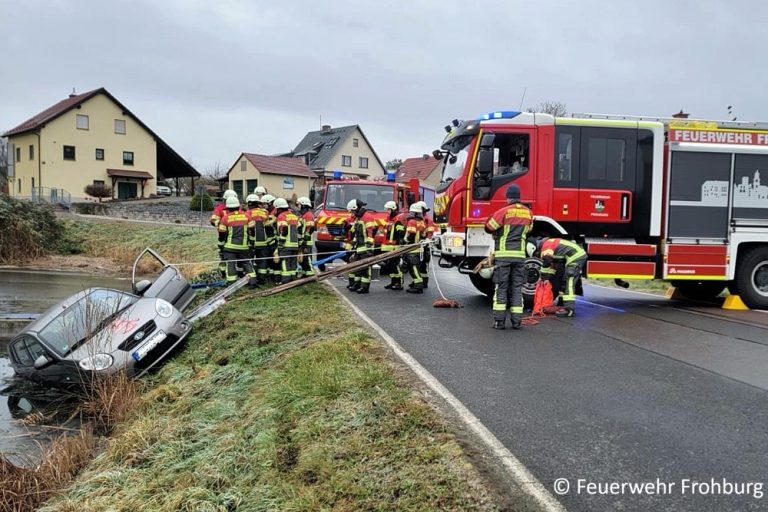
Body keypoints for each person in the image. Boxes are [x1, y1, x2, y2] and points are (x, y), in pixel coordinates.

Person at [484, 184, 533, 330]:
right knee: (517, 288)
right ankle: (517, 322)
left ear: (508, 197)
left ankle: (499, 322)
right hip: (520, 257)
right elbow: (529, 230)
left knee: (501, 288)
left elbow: (489, 227)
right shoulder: (528, 213)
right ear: (519, 197)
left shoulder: (504, 211)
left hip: (504, 256)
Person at [527, 236, 587, 317]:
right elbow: (554, 265)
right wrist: (547, 277)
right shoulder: (549, 245)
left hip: (576, 257)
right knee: (563, 280)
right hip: (571, 256)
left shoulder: (546, 246)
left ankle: (569, 309)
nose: (538, 255)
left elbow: (547, 261)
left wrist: (543, 276)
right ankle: (562, 303)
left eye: (536, 253)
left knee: (569, 280)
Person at [217, 196, 257, 287]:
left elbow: (221, 235)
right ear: (238, 206)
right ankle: (253, 282)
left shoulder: (225, 218)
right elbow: (252, 231)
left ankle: (232, 284)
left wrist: (221, 247)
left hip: (230, 247)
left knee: (230, 264)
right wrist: (252, 244)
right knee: (247, 263)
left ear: (228, 208)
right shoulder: (247, 216)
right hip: (243, 247)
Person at [345, 199, 376, 293]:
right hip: (359, 247)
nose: (352, 214)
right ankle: (357, 284)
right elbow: (355, 233)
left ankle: (365, 287)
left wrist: (369, 246)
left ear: (356, 209)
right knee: (357, 267)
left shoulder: (367, 217)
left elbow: (371, 232)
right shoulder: (359, 218)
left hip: (366, 247)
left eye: (352, 211)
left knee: (365, 268)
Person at [402, 203, 428, 294]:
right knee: (417, 268)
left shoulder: (412, 222)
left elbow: (411, 234)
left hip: (412, 249)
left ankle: (418, 286)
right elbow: (424, 235)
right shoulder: (422, 222)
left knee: (413, 269)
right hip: (419, 249)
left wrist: (405, 241)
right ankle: (417, 284)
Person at [245, 194, 270, 285]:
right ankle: (262, 279)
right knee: (262, 260)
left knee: (249, 260)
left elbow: (248, 228)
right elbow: (268, 226)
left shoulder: (247, 213)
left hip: (252, 242)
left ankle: (252, 279)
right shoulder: (265, 212)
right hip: (263, 241)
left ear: (249, 203)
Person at [380, 200, 405, 290]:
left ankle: (399, 283)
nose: (387, 211)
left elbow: (401, 233)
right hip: (388, 246)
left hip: (395, 246)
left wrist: (400, 241)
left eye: (389, 210)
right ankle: (393, 282)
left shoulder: (397, 220)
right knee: (390, 265)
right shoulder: (389, 219)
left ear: (394, 209)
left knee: (395, 265)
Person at [274, 198, 300, 284]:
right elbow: (299, 229)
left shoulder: (282, 216)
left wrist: (280, 244)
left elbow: (284, 230)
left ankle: (286, 280)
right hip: (295, 244)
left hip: (286, 245)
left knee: (285, 262)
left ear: (279, 208)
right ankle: (293, 279)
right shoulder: (293, 216)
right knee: (293, 263)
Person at [415, 201, 436, 289]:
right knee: (417, 264)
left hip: (425, 245)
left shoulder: (428, 219)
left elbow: (430, 231)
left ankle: (424, 282)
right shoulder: (419, 218)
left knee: (423, 265)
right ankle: (418, 281)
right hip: (419, 243)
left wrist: (428, 239)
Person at [261, 194, 279, 282]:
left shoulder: (275, 213)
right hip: (269, 241)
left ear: (270, 203)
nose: (263, 206)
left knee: (275, 260)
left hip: (275, 240)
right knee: (270, 260)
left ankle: (276, 278)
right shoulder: (268, 212)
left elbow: (268, 224)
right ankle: (271, 277)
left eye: (264, 204)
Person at [296, 196, 316, 278]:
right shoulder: (303, 215)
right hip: (302, 241)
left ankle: (311, 275)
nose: (298, 206)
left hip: (306, 242)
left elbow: (310, 228)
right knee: (303, 260)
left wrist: (305, 240)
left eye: (299, 204)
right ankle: (305, 274)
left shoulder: (308, 215)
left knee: (306, 259)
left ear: (303, 205)